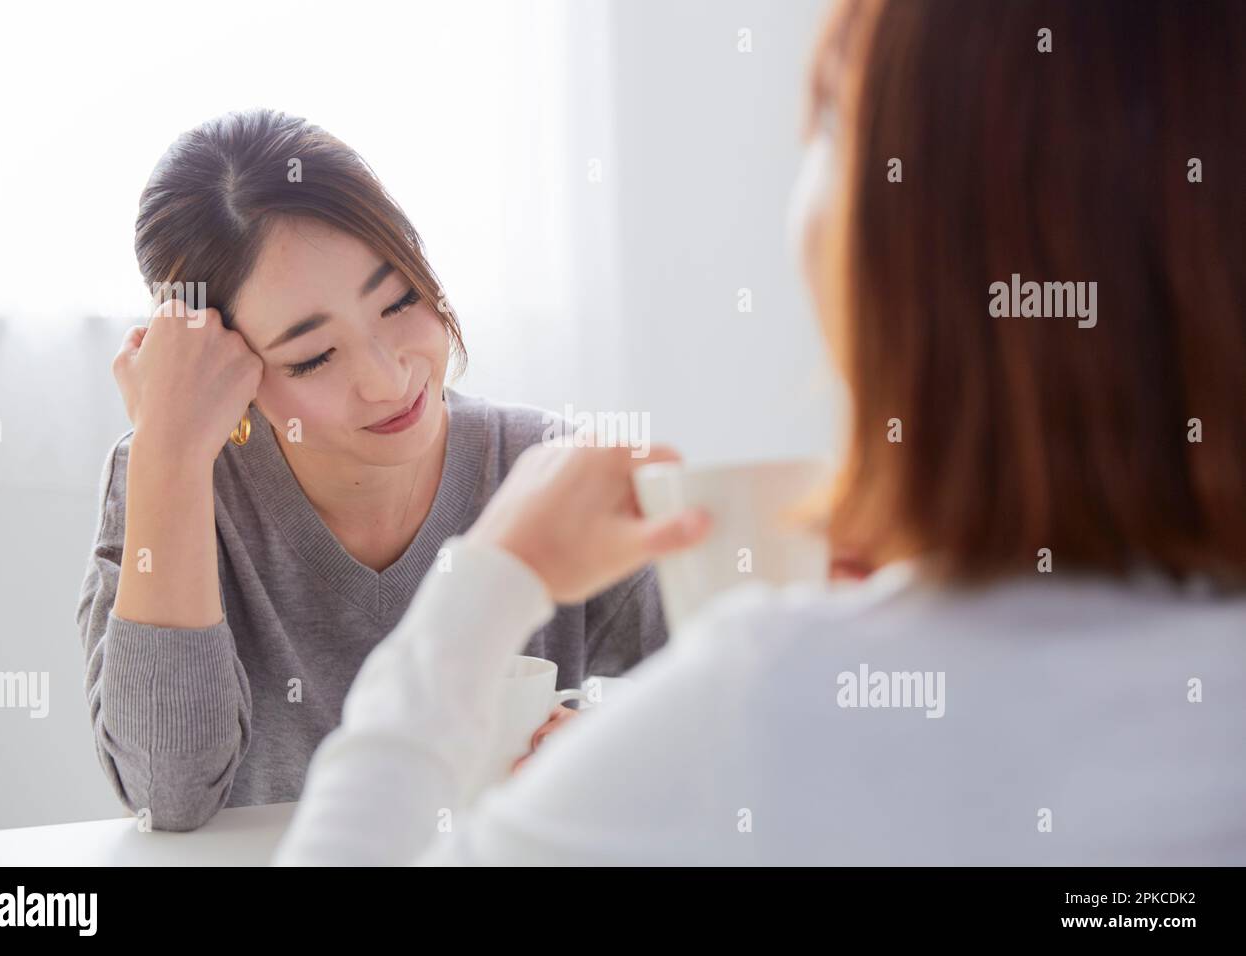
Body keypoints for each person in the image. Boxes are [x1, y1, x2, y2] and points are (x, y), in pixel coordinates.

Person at [273, 0, 1246, 865]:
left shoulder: (769, 697)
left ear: (897, 234)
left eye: (827, 117)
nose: (381, 374)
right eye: (310, 354)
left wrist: (488, 580)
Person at [75, 110, 668, 832]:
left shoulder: (549, 471)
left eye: (399, 302)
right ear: (225, 365)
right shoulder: (174, 480)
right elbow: (166, 793)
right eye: (313, 356)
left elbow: (705, 742)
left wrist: (612, 753)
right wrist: (168, 451)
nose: (388, 379)